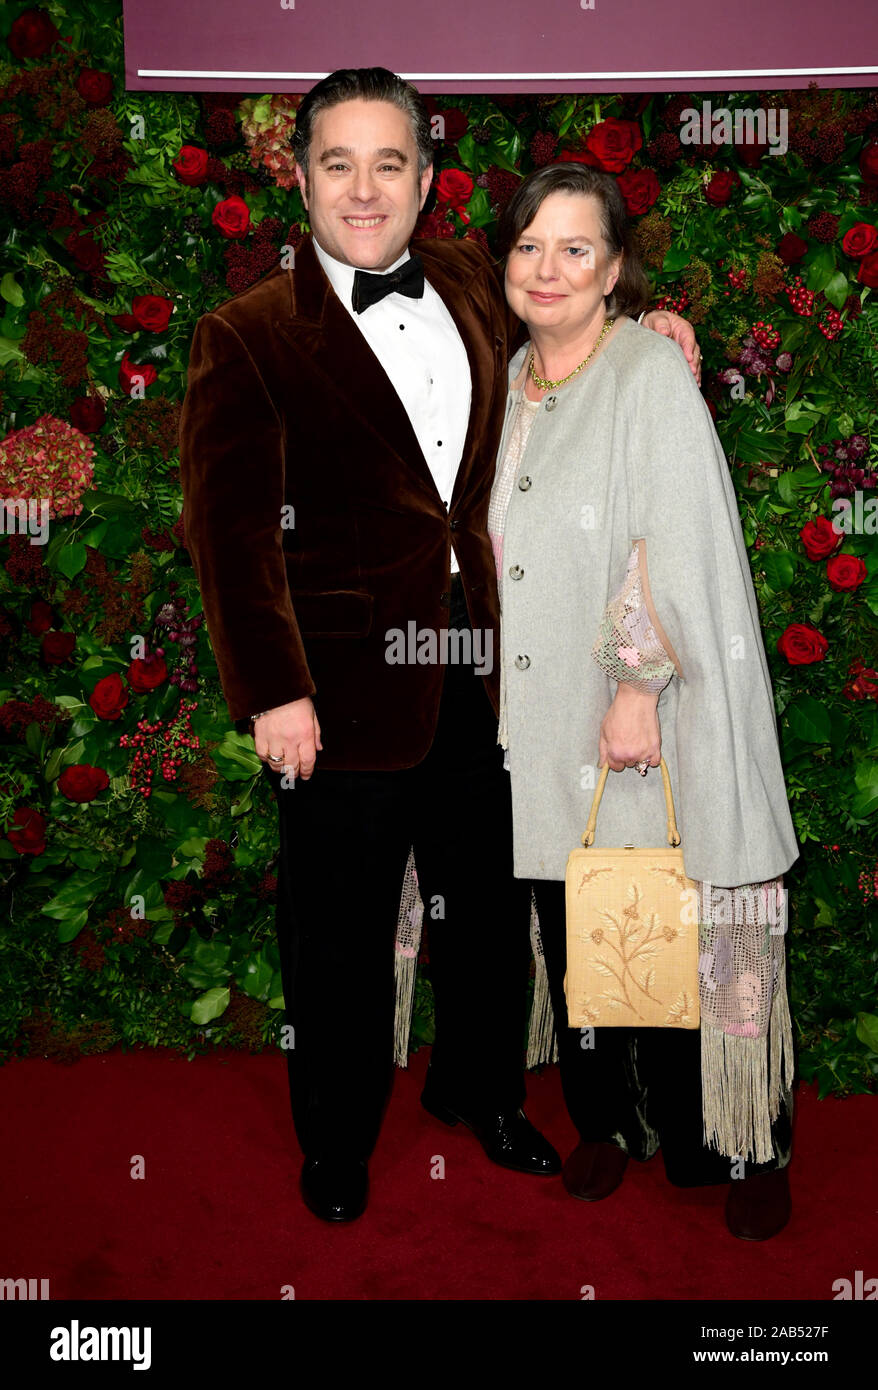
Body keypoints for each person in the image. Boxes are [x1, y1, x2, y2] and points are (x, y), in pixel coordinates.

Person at [178, 68, 700, 1224]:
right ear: (298, 175)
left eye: (388, 162)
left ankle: (481, 1092)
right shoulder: (245, 335)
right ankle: (337, 1135)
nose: (364, 190)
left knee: (489, 910)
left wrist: (645, 328)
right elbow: (227, 538)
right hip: (339, 692)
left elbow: (574, 318)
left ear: (425, 175)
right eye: (337, 163)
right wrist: (273, 692)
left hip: (488, 668)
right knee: (341, 936)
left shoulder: (475, 276)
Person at [489, 162, 799, 1240]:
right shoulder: (504, 385)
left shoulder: (646, 374)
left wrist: (634, 683)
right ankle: (603, 1123)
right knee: (583, 927)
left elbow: (670, 538)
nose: (548, 268)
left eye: (576, 248)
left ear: (615, 269)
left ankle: (732, 1137)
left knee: (685, 916)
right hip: (533, 725)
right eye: (529, 246)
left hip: (648, 712)